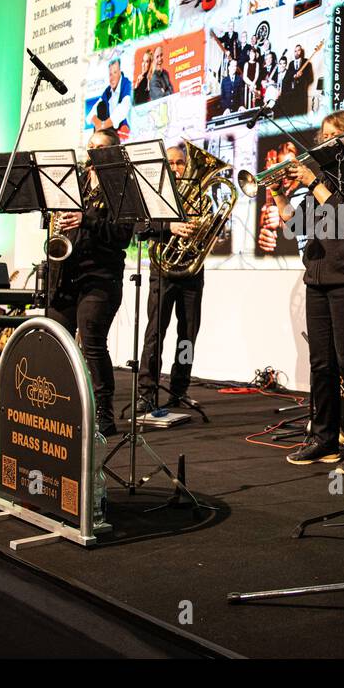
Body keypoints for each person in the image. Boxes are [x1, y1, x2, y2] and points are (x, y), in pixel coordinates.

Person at [284, 110, 344, 476]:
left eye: (330, 133)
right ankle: (324, 438)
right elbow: (296, 229)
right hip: (317, 278)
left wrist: (314, 183)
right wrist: (280, 198)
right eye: (321, 133)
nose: (321, 140)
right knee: (321, 363)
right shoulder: (319, 180)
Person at [45, 129, 136, 437]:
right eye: (90, 146)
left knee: (92, 341)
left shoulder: (122, 186)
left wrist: (87, 219)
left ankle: (103, 414)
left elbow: (122, 236)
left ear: (114, 152)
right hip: (68, 273)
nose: (92, 152)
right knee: (57, 339)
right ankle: (60, 405)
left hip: (101, 277)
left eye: (100, 147)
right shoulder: (78, 182)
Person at [137, 144, 204, 414]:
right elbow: (139, 226)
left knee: (187, 336)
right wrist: (169, 226)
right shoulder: (156, 195)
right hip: (162, 271)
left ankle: (180, 389)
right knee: (155, 333)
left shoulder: (200, 194)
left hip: (191, 271)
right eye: (172, 163)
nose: (176, 168)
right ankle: (147, 391)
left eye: (180, 163)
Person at [90, 56, 132, 135]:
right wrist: (98, 124)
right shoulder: (108, 91)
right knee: (101, 106)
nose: (112, 78)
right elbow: (92, 112)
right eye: (110, 74)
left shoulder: (127, 85)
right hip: (111, 133)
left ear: (120, 72)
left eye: (115, 73)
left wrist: (103, 126)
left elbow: (122, 109)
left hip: (126, 133)